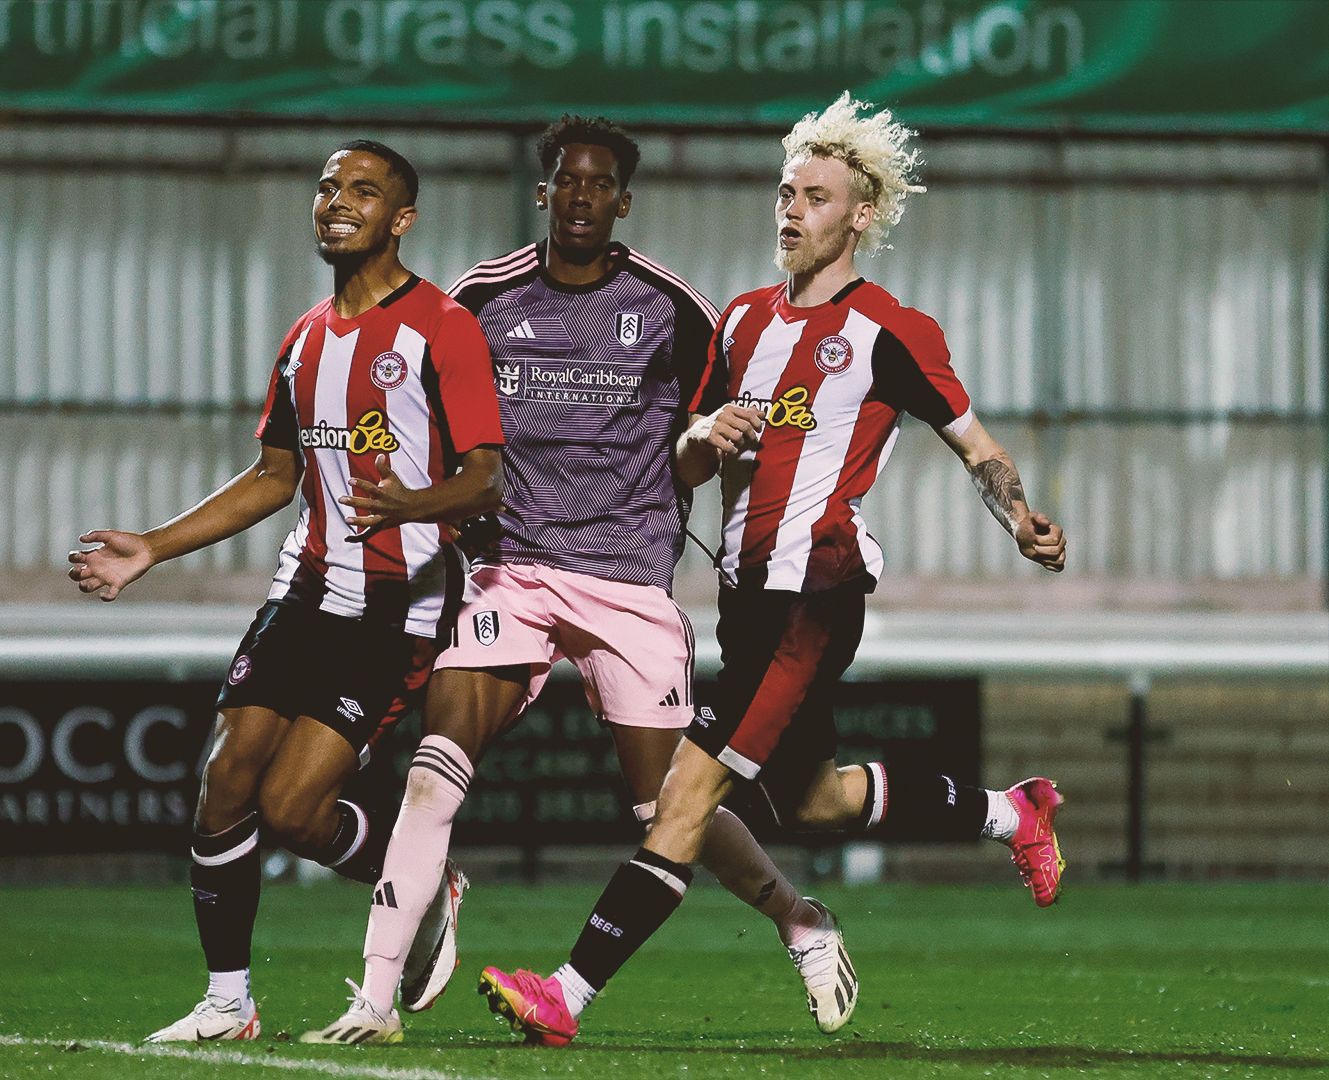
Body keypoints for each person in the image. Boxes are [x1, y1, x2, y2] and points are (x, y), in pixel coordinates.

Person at [477, 93, 1071, 1048]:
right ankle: (1014, 812)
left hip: (819, 596)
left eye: (816, 197)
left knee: (687, 791)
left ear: (860, 215)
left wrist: (1020, 519)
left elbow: (973, 443)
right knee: (814, 799)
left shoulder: (890, 331)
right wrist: (707, 433)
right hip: (747, 602)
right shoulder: (743, 323)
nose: (790, 212)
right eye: (785, 193)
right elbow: (685, 461)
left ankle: (566, 995)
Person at [301, 116, 852, 1047]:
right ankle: (376, 997)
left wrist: (700, 456)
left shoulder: (674, 308)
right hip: (512, 573)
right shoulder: (483, 297)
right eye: (567, 181)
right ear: (546, 189)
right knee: (436, 771)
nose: (582, 196)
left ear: (623, 201)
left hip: (630, 582)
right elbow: (446, 421)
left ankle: (799, 917)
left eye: (600, 185)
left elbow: (698, 451)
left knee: (665, 806)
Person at [68, 140, 506, 1043]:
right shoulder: (306, 338)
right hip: (303, 593)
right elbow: (273, 479)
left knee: (293, 812)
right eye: (326, 187)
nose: (335, 202)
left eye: (362, 190)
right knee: (223, 780)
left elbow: (487, 479)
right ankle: (229, 1002)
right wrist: (153, 546)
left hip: (398, 610)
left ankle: (424, 884)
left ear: (402, 218)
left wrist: (414, 503)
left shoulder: (442, 328)